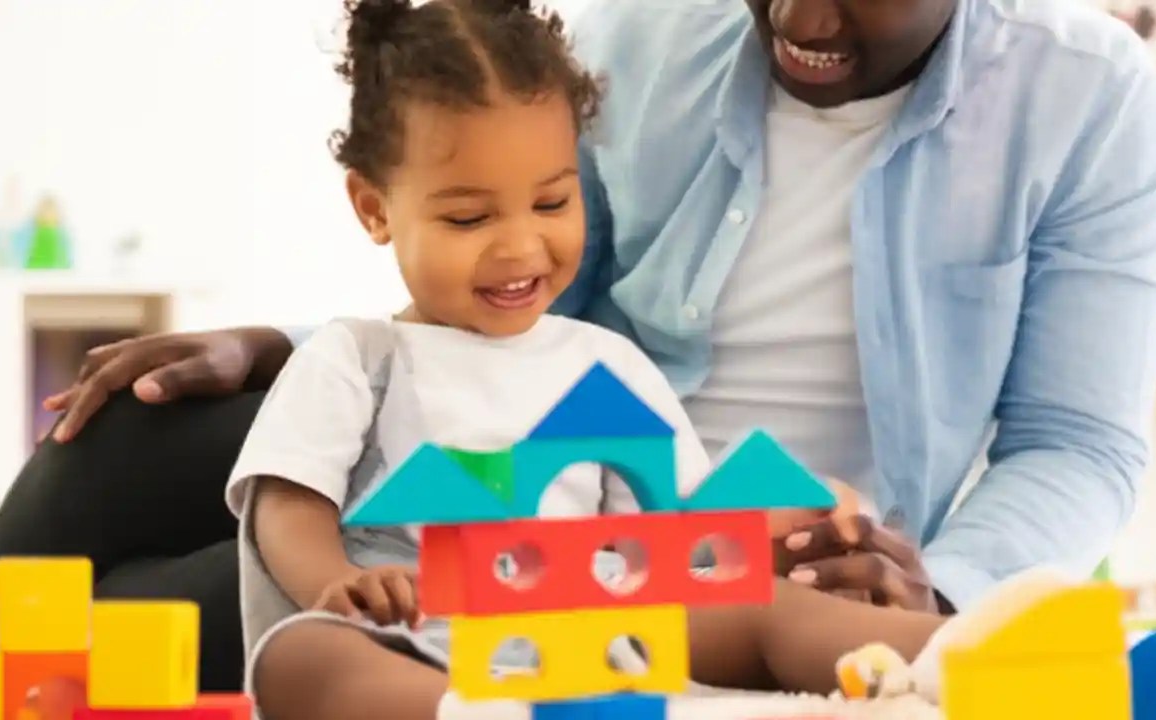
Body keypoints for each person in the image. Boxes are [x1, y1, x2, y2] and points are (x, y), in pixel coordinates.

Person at [0, 0, 1156, 694]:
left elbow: (1075, 446)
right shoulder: (647, 38)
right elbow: (509, 302)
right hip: (507, 470)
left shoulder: (1085, 98)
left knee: (142, 630)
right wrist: (282, 341)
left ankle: (982, 663)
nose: (802, 15)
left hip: (732, 539)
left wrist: (948, 585)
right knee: (158, 411)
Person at [226, 2, 952, 717]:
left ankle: (963, 655)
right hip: (420, 636)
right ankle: (484, 714)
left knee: (765, 607)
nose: (519, 248)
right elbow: (288, 505)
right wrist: (340, 585)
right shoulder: (357, 357)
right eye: (469, 218)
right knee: (306, 659)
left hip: (593, 628)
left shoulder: (609, 364)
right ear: (374, 209)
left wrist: (785, 524)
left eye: (551, 203)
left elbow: (681, 534)